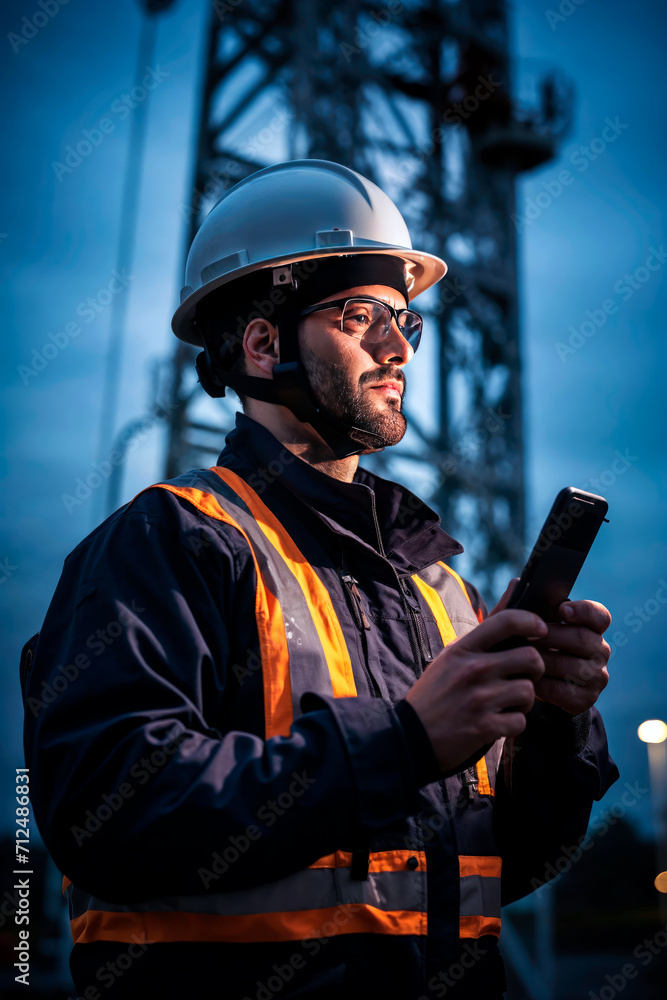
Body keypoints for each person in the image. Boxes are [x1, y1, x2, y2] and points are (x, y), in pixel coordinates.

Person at [22, 159, 619, 1000]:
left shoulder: (437, 586)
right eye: (361, 316)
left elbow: (500, 866)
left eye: (405, 319)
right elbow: (102, 812)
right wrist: (404, 741)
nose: (399, 345)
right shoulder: (171, 542)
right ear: (263, 345)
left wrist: (555, 733)